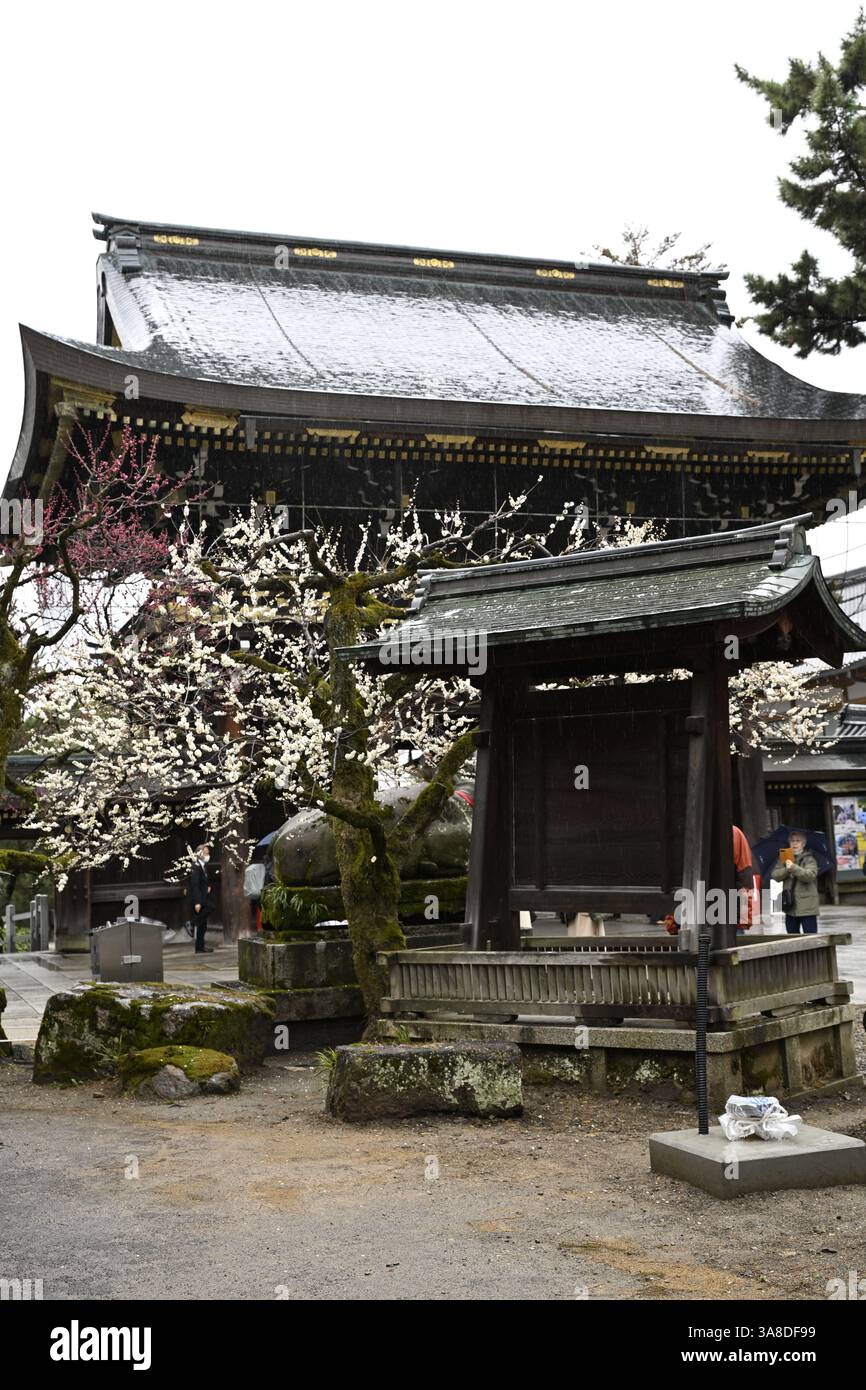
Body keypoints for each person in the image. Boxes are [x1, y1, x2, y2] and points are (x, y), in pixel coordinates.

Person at [771, 829, 819, 935]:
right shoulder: (784, 857)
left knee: (810, 937)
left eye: (798, 841)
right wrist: (786, 870)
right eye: (792, 841)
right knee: (792, 937)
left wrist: (793, 867)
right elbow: (775, 875)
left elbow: (810, 876)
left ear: (803, 844)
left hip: (807, 907)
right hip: (790, 905)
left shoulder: (809, 859)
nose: (795, 843)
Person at [187, 844, 214, 954]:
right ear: (199, 854)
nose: (207, 855)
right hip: (198, 899)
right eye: (206, 853)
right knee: (212, 907)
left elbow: (203, 882)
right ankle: (191, 923)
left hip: (204, 896)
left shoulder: (203, 866)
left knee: (203, 924)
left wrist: (207, 887)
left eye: (208, 853)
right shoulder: (195, 866)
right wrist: (197, 902)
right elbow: (195, 885)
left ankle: (200, 947)